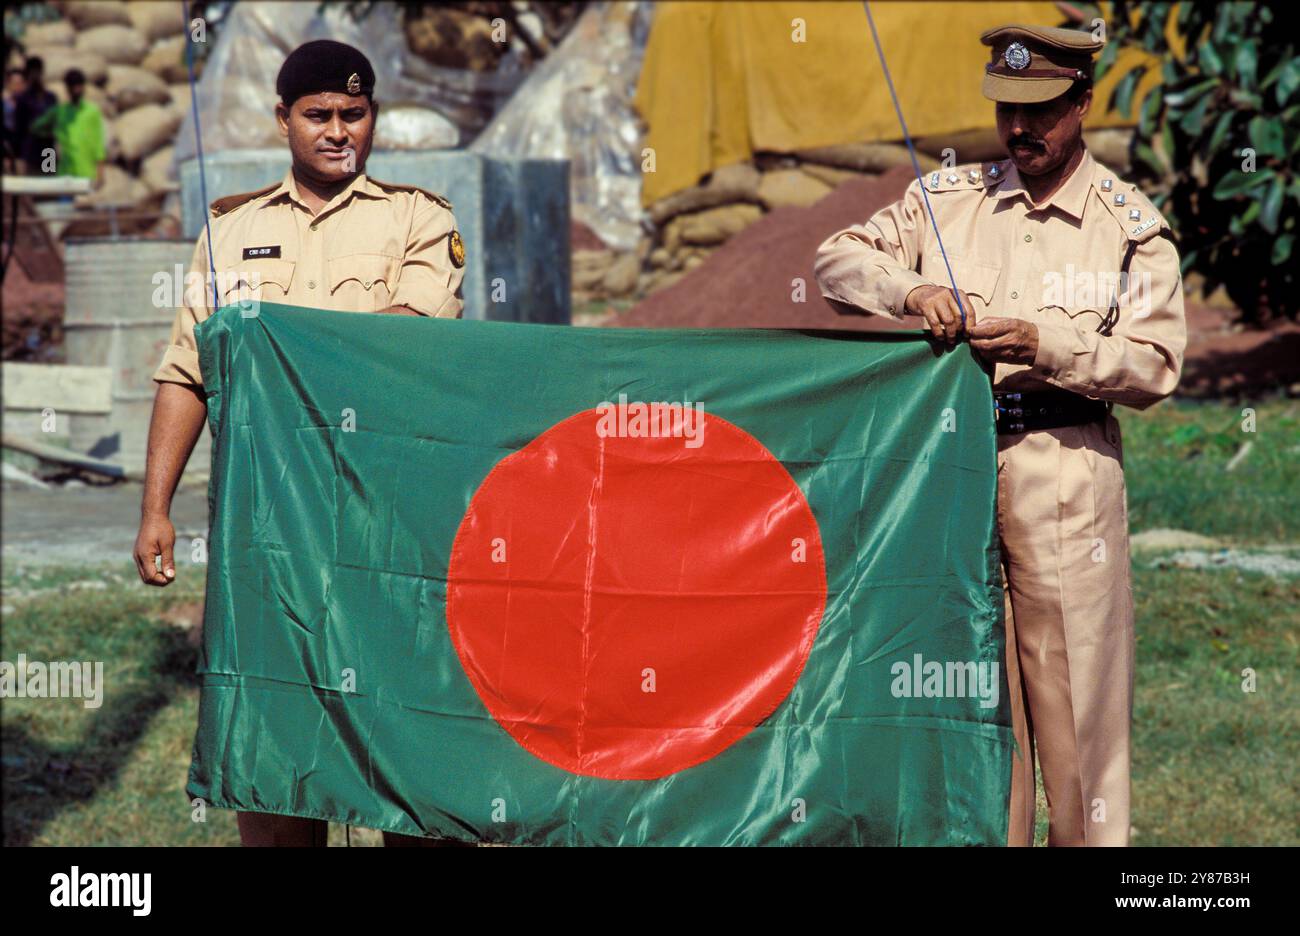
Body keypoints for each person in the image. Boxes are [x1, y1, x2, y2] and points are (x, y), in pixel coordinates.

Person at [814, 24, 1186, 846]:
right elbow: (836, 261)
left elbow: (1157, 365)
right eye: (1008, 112)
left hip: (1065, 480)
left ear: (1082, 103)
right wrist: (910, 292)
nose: (1021, 131)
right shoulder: (948, 199)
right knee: (977, 717)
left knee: (1079, 724)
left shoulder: (1127, 227)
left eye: (1042, 112)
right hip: (955, 478)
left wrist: (1045, 345)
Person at [132, 39, 469, 847]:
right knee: (273, 733)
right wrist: (155, 510)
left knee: (408, 731)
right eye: (317, 115)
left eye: (354, 114)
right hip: (265, 526)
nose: (337, 131)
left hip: (384, 517)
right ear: (282, 119)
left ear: (373, 118)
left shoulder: (419, 218)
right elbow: (186, 371)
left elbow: (412, 340)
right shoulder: (227, 231)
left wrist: (278, 341)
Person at [28, 68, 106, 184]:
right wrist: (51, 134)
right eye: (72, 86)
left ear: (84, 87)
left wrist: (100, 172)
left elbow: (98, 143)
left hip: (86, 173)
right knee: (64, 202)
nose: (76, 90)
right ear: (67, 88)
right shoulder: (59, 111)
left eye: (78, 86)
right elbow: (35, 127)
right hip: (65, 174)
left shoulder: (92, 112)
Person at [13, 56, 56, 174]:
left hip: (48, 150)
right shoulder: (23, 99)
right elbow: (19, 130)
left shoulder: (50, 98)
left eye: (38, 71)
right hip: (30, 152)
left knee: (49, 187)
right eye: (33, 72)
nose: (36, 76)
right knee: (31, 187)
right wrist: (20, 157)